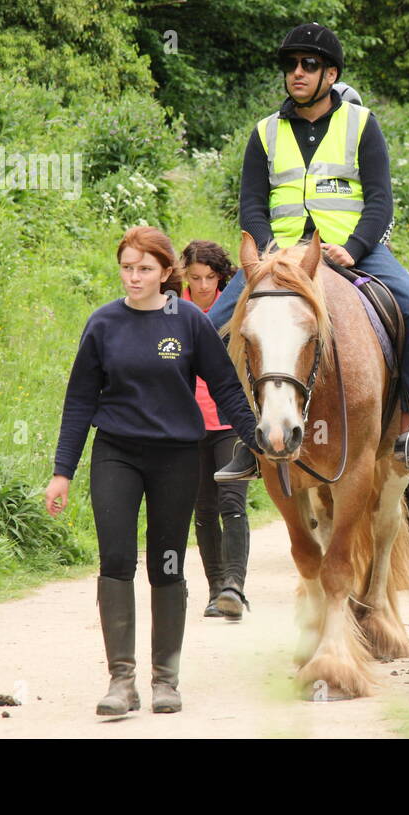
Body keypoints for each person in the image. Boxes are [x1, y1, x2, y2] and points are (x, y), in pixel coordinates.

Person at [207, 22, 409, 479]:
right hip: (279, 256)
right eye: (290, 65)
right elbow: (252, 203)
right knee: (211, 326)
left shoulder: (361, 123)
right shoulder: (265, 132)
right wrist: (269, 252)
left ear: (330, 74)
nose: (297, 72)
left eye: (308, 65)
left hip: (353, 250)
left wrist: (354, 247)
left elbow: (380, 200)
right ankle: (246, 435)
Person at [44, 227, 260, 716]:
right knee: (116, 560)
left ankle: (166, 679)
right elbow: (79, 401)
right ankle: (121, 681)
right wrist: (63, 471)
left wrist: (255, 439)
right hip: (116, 453)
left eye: (144, 268)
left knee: (167, 563)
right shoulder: (103, 323)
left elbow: (225, 387)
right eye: (127, 267)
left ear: (166, 273)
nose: (134, 276)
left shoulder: (188, 321)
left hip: (176, 457)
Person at [179, 240, 251, 620]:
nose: (203, 285)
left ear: (221, 276)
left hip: (230, 422)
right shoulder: (175, 309)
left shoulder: (237, 307)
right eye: (195, 277)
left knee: (231, 504)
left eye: (210, 277)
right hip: (189, 424)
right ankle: (215, 589)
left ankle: (234, 587)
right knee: (203, 509)